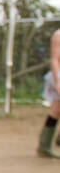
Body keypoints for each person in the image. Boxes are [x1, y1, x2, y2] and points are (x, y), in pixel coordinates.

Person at [37, 26, 60, 158]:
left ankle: (44, 146)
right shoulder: (58, 35)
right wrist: (58, 81)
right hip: (58, 75)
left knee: (57, 109)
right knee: (56, 109)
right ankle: (44, 147)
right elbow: (55, 59)